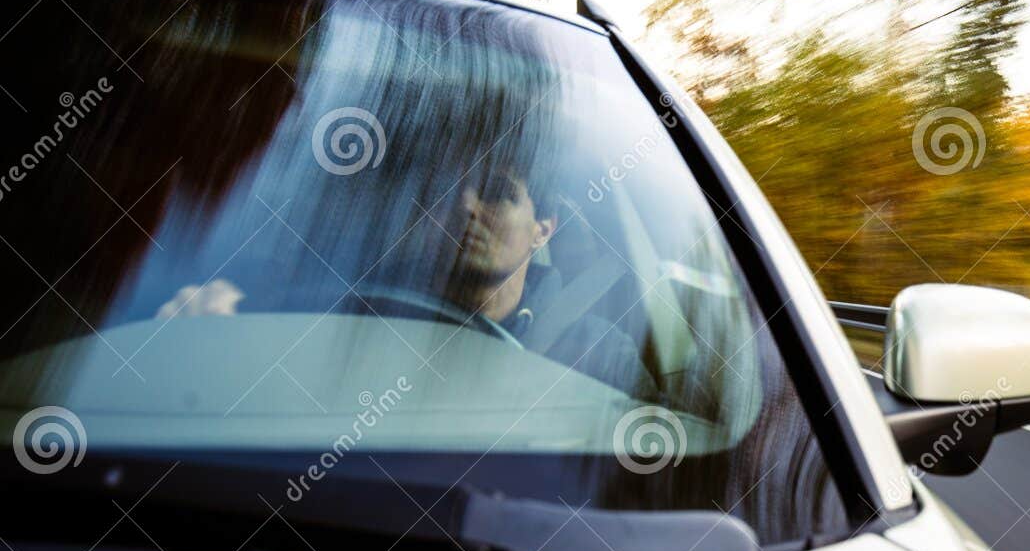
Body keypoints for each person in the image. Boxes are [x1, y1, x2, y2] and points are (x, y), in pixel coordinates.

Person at [157, 164, 656, 399]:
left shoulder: (598, 355)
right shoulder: (360, 319)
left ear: (542, 229)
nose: (465, 206)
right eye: (452, 192)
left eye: (498, 194)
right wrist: (220, 327)